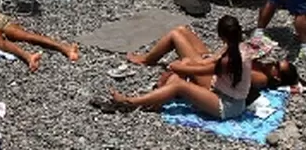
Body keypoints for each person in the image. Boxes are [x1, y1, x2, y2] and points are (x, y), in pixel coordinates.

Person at [93, 16, 252, 119]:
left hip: (227, 104)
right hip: (218, 85)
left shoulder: (230, 59)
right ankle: (155, 92)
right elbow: (206, 63)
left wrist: (176, 66)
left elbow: (199, 70)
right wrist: (184, 64)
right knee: (181, 33)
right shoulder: (237, 46)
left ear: (221, 35)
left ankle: (131, 102)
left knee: (178, 84)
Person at [126, 24, 301, 93]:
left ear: (277, 76)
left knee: (175, 35)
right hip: (214, 62)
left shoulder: (261, 78)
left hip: (210, 78)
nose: (274, 62)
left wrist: (211, 58)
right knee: (182, 29)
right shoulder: (263, 68)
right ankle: (150, 59)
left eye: (277, 65)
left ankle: (147, 60)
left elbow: (222, 68)